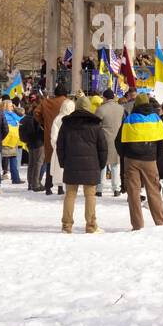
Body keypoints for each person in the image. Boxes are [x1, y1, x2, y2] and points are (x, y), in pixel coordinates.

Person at [115, 93, 163, 231]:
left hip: (131, 160)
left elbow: (119, 141)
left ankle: (137, 225)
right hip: (150, 160)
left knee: (133, 193)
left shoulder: (129, 119)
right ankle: (161, 223)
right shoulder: (156, 119)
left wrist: (125, 156)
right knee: (154, 191)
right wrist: (156, 156)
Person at [56, 95, 107, 234]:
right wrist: (101, 165)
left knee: (70, 195)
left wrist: (63, 162)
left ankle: (67, 226)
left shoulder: (67, 124)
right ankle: (91, 225)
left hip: (71, 164)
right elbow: (103, 147)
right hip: (91, 164)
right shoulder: (95, 125)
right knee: (90, 195)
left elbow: (60, 145)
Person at [37, 84, 69, 193]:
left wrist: (43, 123)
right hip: (66, 135)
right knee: (62, 161)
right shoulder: (68, 102)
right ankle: (60, 187)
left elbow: (36, 113)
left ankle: (48, 186)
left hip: (49, 134)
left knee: (50, 160)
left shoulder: (46, 102)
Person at [96, 92, 125, 198]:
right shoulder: (120, 108)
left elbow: (95, 124)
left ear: (105, 97)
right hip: (117, 139)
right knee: (115, 165)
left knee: (102, 164)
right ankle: (116, 189)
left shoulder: (101, 109)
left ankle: (99, 189)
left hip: (104, 139)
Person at [46, 98, 76, 195]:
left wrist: (56, 145)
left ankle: (59, 187)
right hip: (69, 147)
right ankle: (62, 187)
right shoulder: (71, 119)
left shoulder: (58, 118)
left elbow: (53, 135)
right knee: (64, 168)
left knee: (59, 167)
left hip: (60, 147)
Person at [19, 102, 45, 192]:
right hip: (39, 142)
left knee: (31, 163)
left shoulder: (26, 117)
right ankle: (36, 184)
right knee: (38, 163)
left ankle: (30, 183)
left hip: (29, 143)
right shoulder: (37, 117)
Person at [0, 98, 23, 186]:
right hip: (9, 140)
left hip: (8, 140)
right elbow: (21, 118)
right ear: (6, 106)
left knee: (9, 158)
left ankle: (5, 177)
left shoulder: (7, 114)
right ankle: (15, 178)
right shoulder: (8, 114)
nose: (12, 107)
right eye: (10, 106)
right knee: (11, 159)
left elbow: (21, 118)